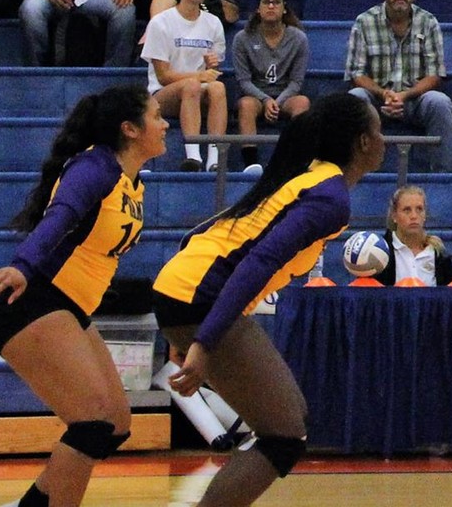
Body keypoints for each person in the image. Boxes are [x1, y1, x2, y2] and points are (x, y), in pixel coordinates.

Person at [152, 93, 386, 507]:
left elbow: (200, 234)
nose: (384, 139)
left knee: (289, 420)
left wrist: (183, 324)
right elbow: (259, 261)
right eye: (379, 130)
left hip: (185, 290)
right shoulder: (330, 196)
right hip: (201, 298)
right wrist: (202, 341)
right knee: (284, 437)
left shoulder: (309, 173)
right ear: (364, 142)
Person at [0, 85, 168, 507]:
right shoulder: (94, 167)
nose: (165, 124)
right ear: (130, 129)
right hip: (32, 301)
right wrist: (23, 264)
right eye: (157, 116)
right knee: (92, 424)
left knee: (115, 424)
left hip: (69, 307)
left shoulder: (132, 182)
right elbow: (59, 215)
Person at [345, 0, 452, 173]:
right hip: (377, 100)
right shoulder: (364, 22)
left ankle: (445, 177)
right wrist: (383, 93)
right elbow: (356, 73)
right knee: (355, 97)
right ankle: (352, 172)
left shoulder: (429, 22)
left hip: (415, 100)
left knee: (440, 102)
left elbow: (435, 75)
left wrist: (405, 95)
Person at [142, 0, 229, 172]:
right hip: (164, 93)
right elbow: (163, 76)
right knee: (192, 86)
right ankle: (193, 156)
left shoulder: (213, 23)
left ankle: (214, 159)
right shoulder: (161, 22)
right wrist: (200, 76)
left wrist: (211, 65)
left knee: (218, 88)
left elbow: (213, 69)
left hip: (200, 88)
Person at [233, 0, 310, 172]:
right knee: (246, 105)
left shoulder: (298, 38)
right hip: (256, 95)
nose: (271, 6)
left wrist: (278, 101)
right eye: (266, 2)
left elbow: (296, 81)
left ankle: (295, 160)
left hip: (286, 95)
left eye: (276, 2)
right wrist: (265, 100)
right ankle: (251, 163)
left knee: (302, 103)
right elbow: (243, 80)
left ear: (284, 9)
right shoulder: (243, 38)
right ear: (258, 9)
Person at [376, 185, 452, 286]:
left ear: (425, 215)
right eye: (407, 210)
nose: (414, 216)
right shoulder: (380, 253)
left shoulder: (439, 256)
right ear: (394, 216)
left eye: (419, 209)